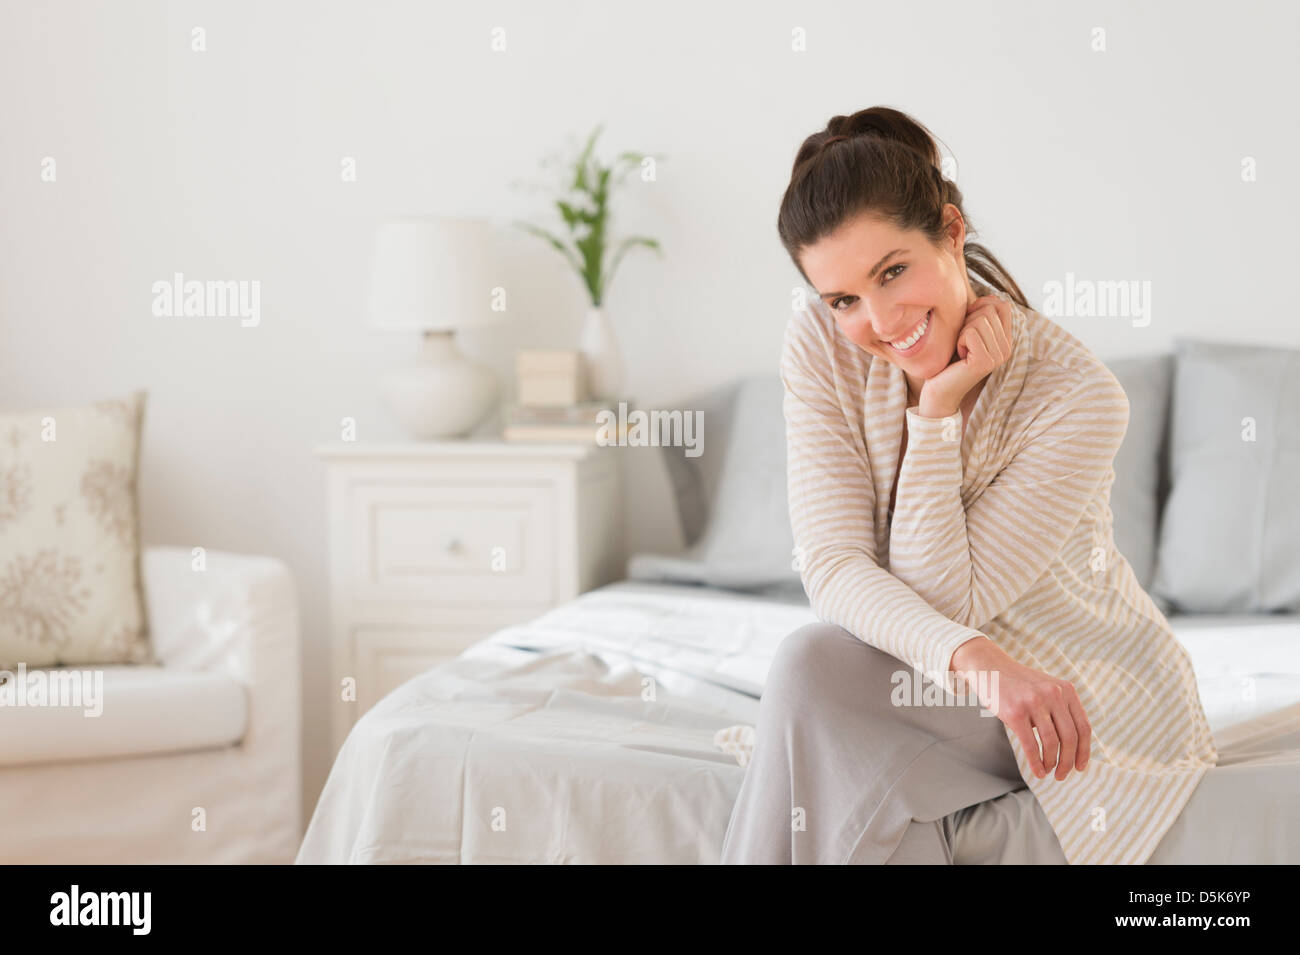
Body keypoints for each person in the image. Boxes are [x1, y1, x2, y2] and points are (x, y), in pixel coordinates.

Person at [720, 106, 1217, 865]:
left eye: (892, 272)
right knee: (808, 665)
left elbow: (943, 600)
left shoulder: (1077, 396)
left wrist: (937, 412)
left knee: (811, 686)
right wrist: (982, 662)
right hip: (957, 675)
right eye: (844, 298)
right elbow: (832, 566)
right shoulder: (821, 345)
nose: (880, 321)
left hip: (1065, 691)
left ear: (951, 231)